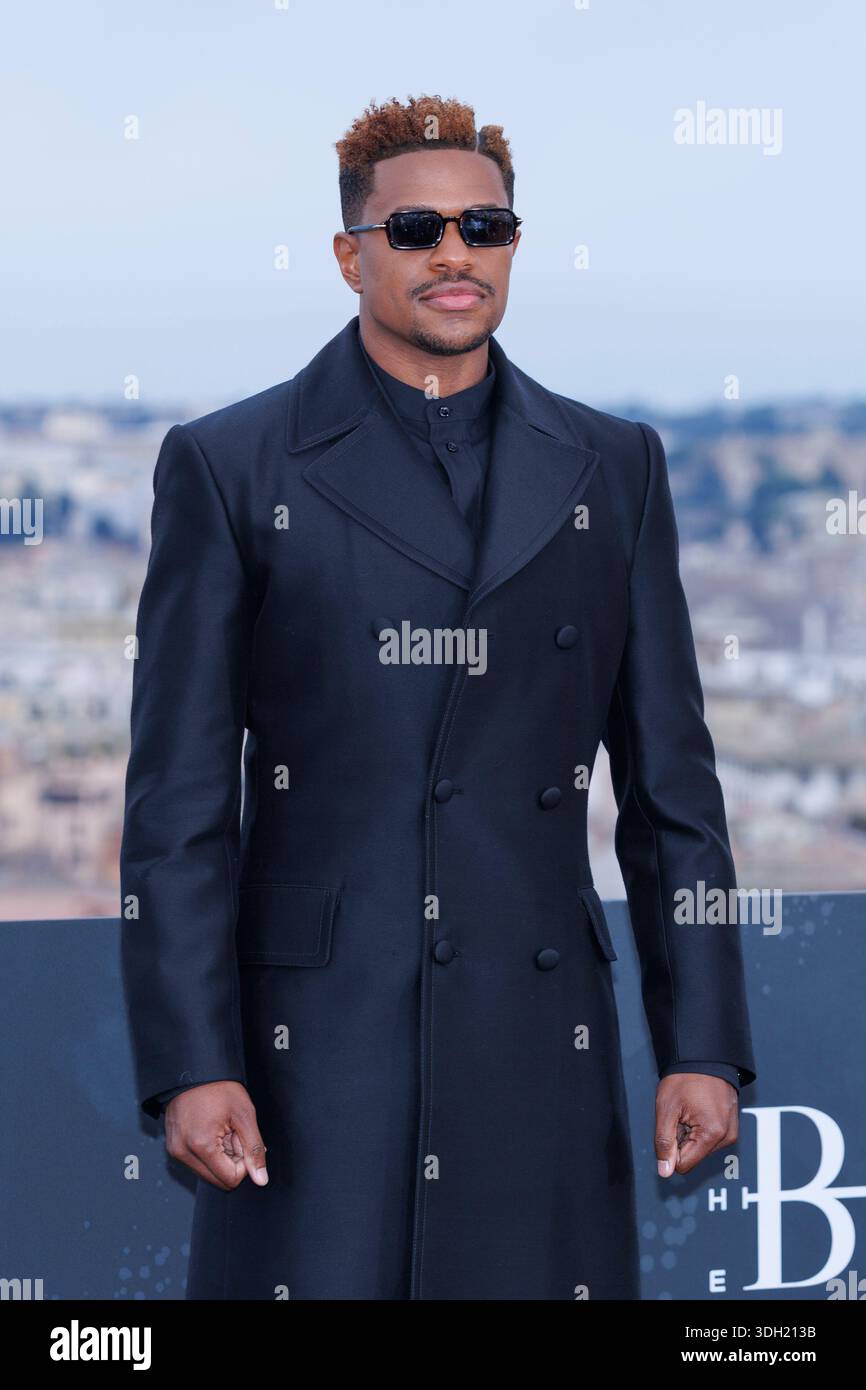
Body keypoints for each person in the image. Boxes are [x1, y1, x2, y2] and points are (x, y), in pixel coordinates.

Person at [119, 94, 756, 1300]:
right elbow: (178, 804)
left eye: (485, 223)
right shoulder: (230, 463)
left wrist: (705, 1044)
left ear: (514, 246)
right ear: (349, 255)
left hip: (536, 1032)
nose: (453, 252)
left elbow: (672, 787)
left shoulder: (613, 465)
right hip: (316, 1045)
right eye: (414, 228)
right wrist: (191, 1063)